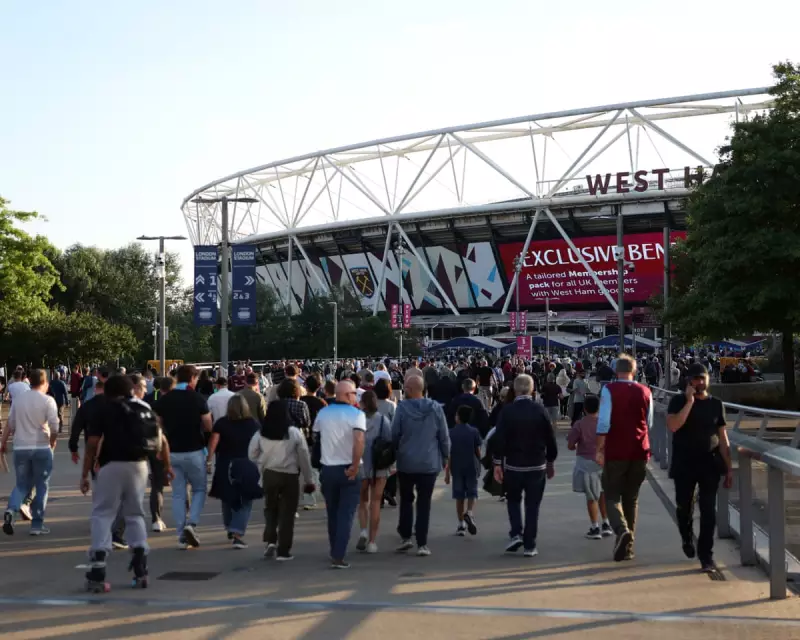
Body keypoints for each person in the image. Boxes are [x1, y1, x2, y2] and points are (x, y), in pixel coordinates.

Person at [79, 374, 172, 591]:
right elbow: (162, 441)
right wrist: (167, 467)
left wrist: (85, 473)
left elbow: (92, 444)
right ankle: (140, 563)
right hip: (139, 465)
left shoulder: (105, 409)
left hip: (111, 464)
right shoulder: (145, 407)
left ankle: (98, 566)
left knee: (103, 513)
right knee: (134, 513)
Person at [667, 363, 732, 572]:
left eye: (703, 378)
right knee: (683, 507)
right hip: (684, 463)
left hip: (709, 464)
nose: (700, 383)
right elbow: (674, 425)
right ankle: (687, 538)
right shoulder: (678, 401)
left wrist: (729, 468)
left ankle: (706, 556)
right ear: (688, 381)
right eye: (695, 379)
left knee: (708, 512)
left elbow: (723, 438)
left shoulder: (716, 404)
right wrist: (689, 402)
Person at [595, 354, 653, 562]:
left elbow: (603, 422)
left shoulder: (609, 390)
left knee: (611, 494)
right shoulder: (645, 391)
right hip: (640, 449)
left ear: (615, 371)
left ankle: (621, 530)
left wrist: (599, 448)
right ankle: (628, 547)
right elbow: (649, 422)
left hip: (616, 449)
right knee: (632, 498)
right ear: (634, 371)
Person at [492, 374, 557, 557]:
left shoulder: (507, 411)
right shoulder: (540, 410)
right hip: (537, 465)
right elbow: (550, 438)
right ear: (532, 389)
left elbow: (499, 438)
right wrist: (550, 460)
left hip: (513, 465)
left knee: (513, 500)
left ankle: (516, 533)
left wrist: (498, 462)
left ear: (514, 390)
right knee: (532, 505)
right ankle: (530, 544)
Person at [249, 384, 315, 561]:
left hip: (269, 473)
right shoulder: (293, 432)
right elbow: (304, 456)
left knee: (270, 508)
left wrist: (261, 462)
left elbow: (251, 453)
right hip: (290, 474)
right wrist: (308, 479)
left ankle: (270, 539)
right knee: (287, 513)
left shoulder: (262, 432)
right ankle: (284, 550)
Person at [153, 365, 212, 550]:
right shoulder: (197, 398)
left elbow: (158, 426)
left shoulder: (165, 399)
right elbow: (208, 425)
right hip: (194, 450)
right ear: (193, 378)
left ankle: (181, 535)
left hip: (172, 452)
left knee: (178, 493)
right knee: (199, 489)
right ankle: (191, 523)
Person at [392, 375, 450, 556]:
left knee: (406, 500)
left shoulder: (401, 409)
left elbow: (394, 434)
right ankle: (422, 543)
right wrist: (446, 457)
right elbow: (444, 435)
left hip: (406, 462)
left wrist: (393, 455)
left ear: (409, 389)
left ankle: (406, 536)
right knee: (424, 503)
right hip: (429, 463)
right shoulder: (436, 409)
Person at [313, 380, 366, 569]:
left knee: (333, 512)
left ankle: (334, 548)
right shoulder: (357, 415)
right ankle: (338, 555)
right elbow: (359, 440)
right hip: (348, 469)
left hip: (328, 468)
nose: (355, 397)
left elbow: (317, 439)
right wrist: (354, 465)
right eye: (353, 394)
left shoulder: (323, 413)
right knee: (346, 514)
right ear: (346, 395)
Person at [1, 370, 58, 536]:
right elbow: (54, 426)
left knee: (21, 484)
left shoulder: (18, 400)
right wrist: (52, 440)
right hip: (41, 447)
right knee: (42, 486)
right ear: (45, 383)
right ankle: (37, 524)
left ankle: (11, 510)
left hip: (20, 447)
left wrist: (3, 443)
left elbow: (10, 424)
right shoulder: (48, 400)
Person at [207, 395, 262, 549]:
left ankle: (230, 526)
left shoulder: (222, 423)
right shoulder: (253, 424)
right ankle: (237, 533)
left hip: (226, 464)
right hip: (247, 464)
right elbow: (259, 445)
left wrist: (209, 460)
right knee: (246, 499)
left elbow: (213, 442)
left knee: (227, 496)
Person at [567, 395, 612, 540]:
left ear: (585, 409)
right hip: (604, 462)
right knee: (603, 493)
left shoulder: (579, 424)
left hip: (586, 462)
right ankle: (606, 523)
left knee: (591, 496)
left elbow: (570, 445)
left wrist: (576, 445)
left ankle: (595, 527)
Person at [355, 390, 393, 554]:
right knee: (376, 502)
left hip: (362, 465)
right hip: (380, 467)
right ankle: (372, 541)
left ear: (362, 403)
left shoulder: (356, 420)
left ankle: (363, 530)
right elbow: (390, 443)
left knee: (362, 501)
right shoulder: (384, 420)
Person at [444, 405, 482, 537]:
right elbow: (477, 451)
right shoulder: (474, 432)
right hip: (471, 466)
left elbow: (449, 454)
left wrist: (447, 472)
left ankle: (461, 524)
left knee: (459, 496)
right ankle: (470, 512)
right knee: (472, 493)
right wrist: (480, 462)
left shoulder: (451, 433)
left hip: (457, 467)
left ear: (458, 417)